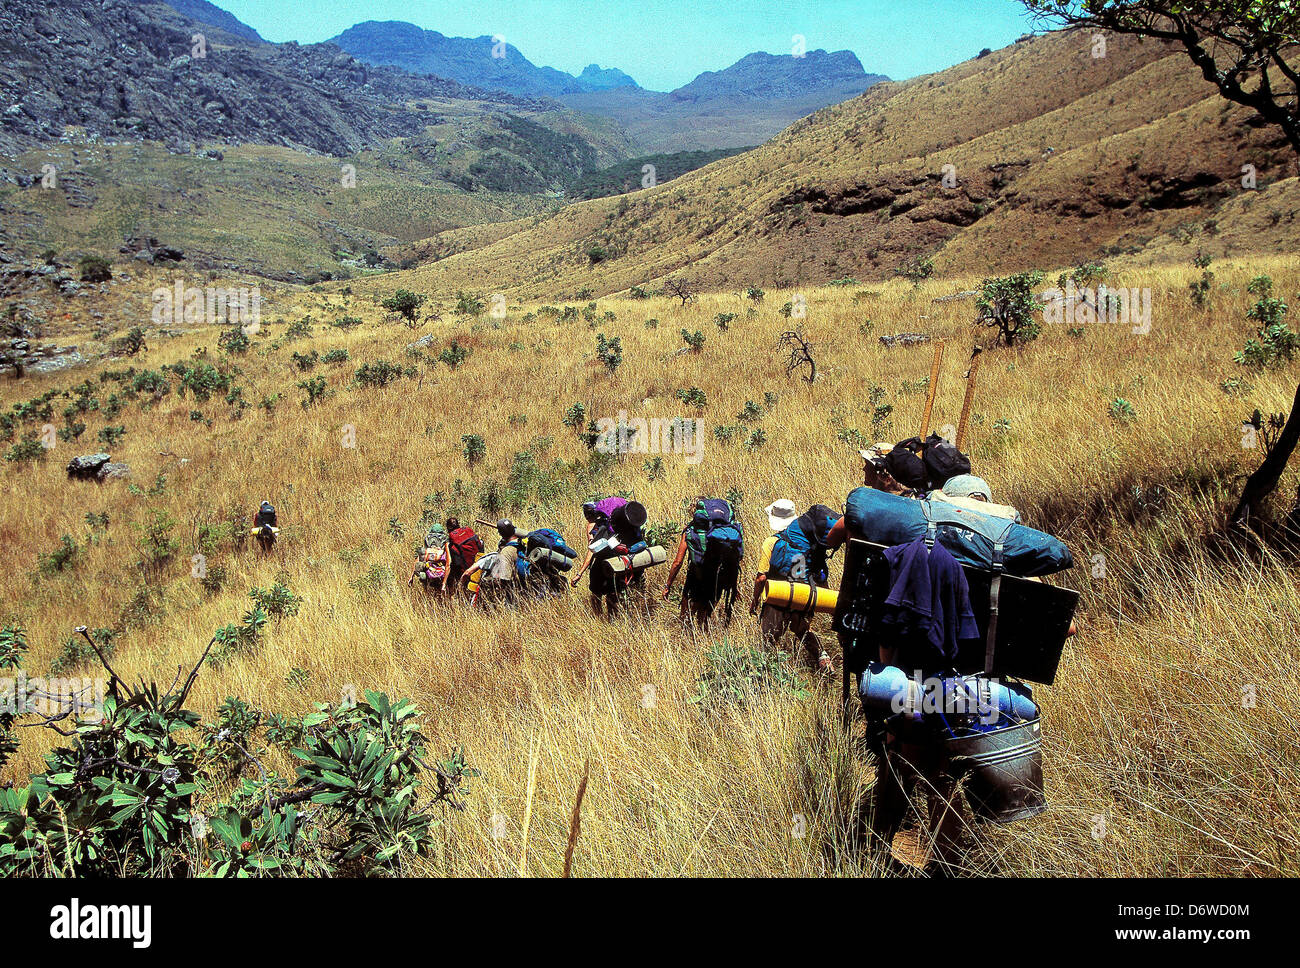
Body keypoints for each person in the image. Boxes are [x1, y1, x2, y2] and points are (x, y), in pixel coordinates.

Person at [749, 499, 832, 674]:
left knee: (769, 639)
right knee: (802, 629)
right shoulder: (809, 542)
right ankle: (823, 657)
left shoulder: (771, 542)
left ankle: (769, 675)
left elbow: (761, 577)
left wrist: (755, 600)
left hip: (778, 595)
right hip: (803, 593)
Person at [662, 497, 743, 628]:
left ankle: (687, 642)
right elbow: (735, 558)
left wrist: (668, 585)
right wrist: (733, 585)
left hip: (696, 576)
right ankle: (703, 640)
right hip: (718, 578)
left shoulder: (690, 530)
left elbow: (678, 562)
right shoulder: (723, 531)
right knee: (705, 616)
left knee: (686, 616)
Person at [571, 498, 647, 617]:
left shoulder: (596, 525)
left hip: (606, 562)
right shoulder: (630, 526)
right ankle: (617, 618)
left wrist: (579, 573)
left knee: (596, 592)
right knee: (615, 593)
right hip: (624, 560)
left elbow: (592, 550)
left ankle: (599, 617)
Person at [408, 525, 451, 594]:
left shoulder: (427, 546)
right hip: (442, 570)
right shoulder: (445, 545)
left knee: (422, 575)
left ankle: (426, 591)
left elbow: (418, 560)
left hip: (429, 569)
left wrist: (411, 577)